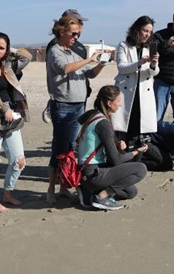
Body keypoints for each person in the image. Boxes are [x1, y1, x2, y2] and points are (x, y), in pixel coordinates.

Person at [45, 15, 106, 204]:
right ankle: (51, 188)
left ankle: (64, 187)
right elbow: (65, 68)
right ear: (62, 31)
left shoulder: (72, 53)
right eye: (73, 33)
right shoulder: (55, 51)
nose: (76, 37)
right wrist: (89, 59)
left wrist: (101, 63)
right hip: (63, 107)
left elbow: (89, 74)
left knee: (71, 150)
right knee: (60, 149)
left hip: (79, 106)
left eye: (78, 34)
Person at [0, 32, 31, 213]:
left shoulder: (7, 66)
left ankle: (8, 192)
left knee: (19, 160)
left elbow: (27, 57)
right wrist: (4, 109)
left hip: (12, 116)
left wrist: (11, 51)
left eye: (2, 48)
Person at [75, 85, 147, 211]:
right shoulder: (103, 123)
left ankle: (87, 191)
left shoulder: (92, 115)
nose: (120, 105)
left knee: (131, 192)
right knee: (141, 169)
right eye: (118, 101)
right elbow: (116, 160)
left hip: (86, 172)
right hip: (93, 174)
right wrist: (135, 152)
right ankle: (102, 197)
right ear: (109, 103)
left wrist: (117, 144)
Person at [112, 16, 160, 143]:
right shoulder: (123, 45)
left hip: (144, 93)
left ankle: (138, 152)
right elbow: (121, 68)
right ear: (137, 29)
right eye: (145, 30)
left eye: (150, 32)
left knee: (140, 128)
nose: (147, 34)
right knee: (123, 127)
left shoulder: (149, 48)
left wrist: (153, 64)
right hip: (126, 92)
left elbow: (154, 73)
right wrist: (139, 63)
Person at [43, 9, 92, 124]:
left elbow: (85, 70)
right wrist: (89, 60)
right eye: (78, 22)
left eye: (81, 23)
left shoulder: (80, 47)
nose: (81, 26)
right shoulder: (55, 46)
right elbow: (62, 69)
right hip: (64, 100)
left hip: (80, 96)